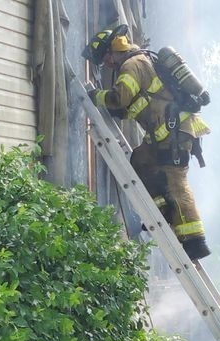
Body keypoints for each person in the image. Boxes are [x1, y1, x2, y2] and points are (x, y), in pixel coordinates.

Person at [83, 25, 212, 260]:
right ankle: (162, 212)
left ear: (113, 51)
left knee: (176, 182)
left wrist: (96, 96)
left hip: (175, 133)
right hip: (164, 136)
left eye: (106, 59)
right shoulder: (141, 61)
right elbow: (136, 103)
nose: (108, 64)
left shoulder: (132, 65)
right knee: (140, 161)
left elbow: (119, 97)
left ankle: (195, 242)